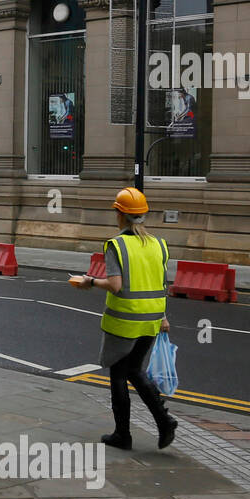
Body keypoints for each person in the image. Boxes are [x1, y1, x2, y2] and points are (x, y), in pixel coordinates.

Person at [74, 186, 177, 451]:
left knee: (119, 376)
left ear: (119, 214)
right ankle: (164, 421)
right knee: (135, 371)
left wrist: (90, 281)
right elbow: (158, 283)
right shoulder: (158, 244)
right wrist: (163, 317)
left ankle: (123, 434)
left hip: (125, 320)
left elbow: (116, 285)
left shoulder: (116, 245)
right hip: (151, 319)